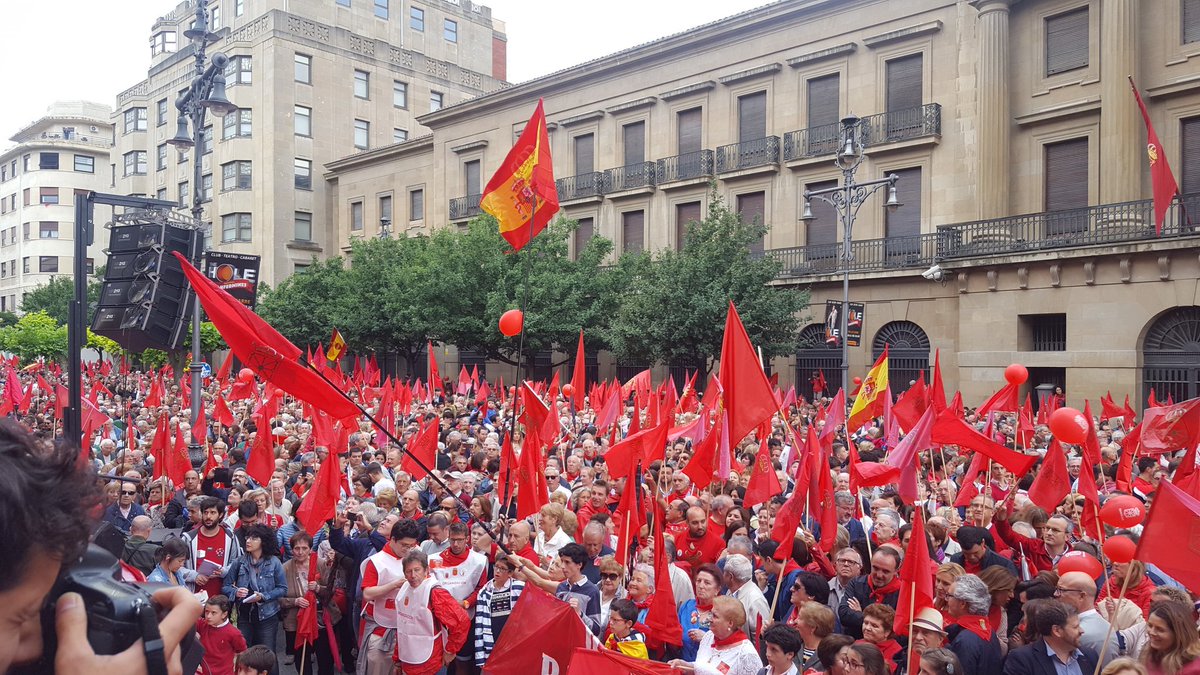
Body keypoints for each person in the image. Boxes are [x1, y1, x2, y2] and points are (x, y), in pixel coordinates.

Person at [392, 549, 471, 675]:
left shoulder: (435, 592)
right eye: (409, 571)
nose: (413, 575)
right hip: (408, 659)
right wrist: (397, 659)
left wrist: (451, 651)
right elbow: (402, 627)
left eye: (417, 570)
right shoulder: (404, 589)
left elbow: (461, 621)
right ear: (404, 574)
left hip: (431, 662)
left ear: (426, 570)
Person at [359, 518, 421, 675]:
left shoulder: (416, 558)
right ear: (393, 539)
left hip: (408, 628)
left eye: (411, 545)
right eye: (404, 545)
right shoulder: (377, 561)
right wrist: (393, 585)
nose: (408, 549)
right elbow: (367, 593)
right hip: (381, 629)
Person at [223, 523, 287, 652]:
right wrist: (236, 592)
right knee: (244, 653)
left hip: (267, 615)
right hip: (245, 615)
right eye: (248, 537)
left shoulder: (274, 562)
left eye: (254, 538)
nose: (248, 541)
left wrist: (264, 596)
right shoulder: (239, 562)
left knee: (267, 654)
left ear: (263, 542)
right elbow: (225, 586)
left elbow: (282, 588)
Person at [669, 596, 762, 675]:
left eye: (715, 616)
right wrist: (683, 665)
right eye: (710, 614)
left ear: (730, 623)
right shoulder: (709, 637)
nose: (709, 619)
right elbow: (701, 668)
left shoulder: (746, 654)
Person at [1003, 600, 1099, 675]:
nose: (1081, 631)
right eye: (1075, 627)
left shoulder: (1089, 656)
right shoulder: (1022, 659)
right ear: (1056, 630)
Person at [1056, 570, 1120, 667]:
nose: (1056, 594)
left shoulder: (1080, 632)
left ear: (1081, 596)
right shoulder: (1102, 624)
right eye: (1056, 589)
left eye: (1061, 590)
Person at [473, 554, 524, 669]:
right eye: (496, 567)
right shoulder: (484, 592)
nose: (497, 571)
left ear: (510, 573)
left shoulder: (520, 588)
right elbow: (479, 625)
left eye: (502, 569)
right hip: (492, 644)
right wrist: (480, 657)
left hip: (512, 645)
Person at [838, 548, 902, 640]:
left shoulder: (902, 593)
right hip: (853, 644)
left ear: (896, 570)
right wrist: (881, 624)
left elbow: (898, 629)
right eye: (875, 568)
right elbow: (844, 614)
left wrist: (861, 614)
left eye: (885, 571)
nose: (879, 575)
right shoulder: (856, 583)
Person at [945, 574, 1003, 675]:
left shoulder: (965, 640)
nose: (946, 600)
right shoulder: (989, 631)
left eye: (949, 596)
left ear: (962, 603)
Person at [1140, 602, 1200, 675]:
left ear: (1178, 634)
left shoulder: (1194, 669)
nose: (1152, 632)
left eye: (1160, 629)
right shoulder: (1148, 656)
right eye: (1150, 625)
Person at [679, 563, 723, 662]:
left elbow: (730, 645)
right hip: (684, 666)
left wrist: (706, 638)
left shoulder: (723, 611)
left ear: (717, 589)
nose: (701, 586)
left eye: (707, 583)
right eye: (698, 581)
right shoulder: (687, 606)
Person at [724, 553, 770, 643]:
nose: (722, 575)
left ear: (730, 576)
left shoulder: (755, 601)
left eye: (724, 573)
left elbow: (761, 641)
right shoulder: (730, 591)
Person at [196, 595, 248, 675]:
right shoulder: (202, 625)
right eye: (206, 612)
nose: (208, 616)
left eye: (213, 613)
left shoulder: (234, 633)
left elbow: (242, 653)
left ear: (224, 614)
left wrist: (237, 671)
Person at [859, 603, 902, 672]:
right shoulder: (858, 643)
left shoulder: (897, 653)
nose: (867, 628)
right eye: (866, 623)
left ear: (887, 632)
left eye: (874, 626)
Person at [793, 603, 835, 671]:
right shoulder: (794, 646)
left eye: (800, 618)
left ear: (812, 627)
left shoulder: (829, 655)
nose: (795, 621)